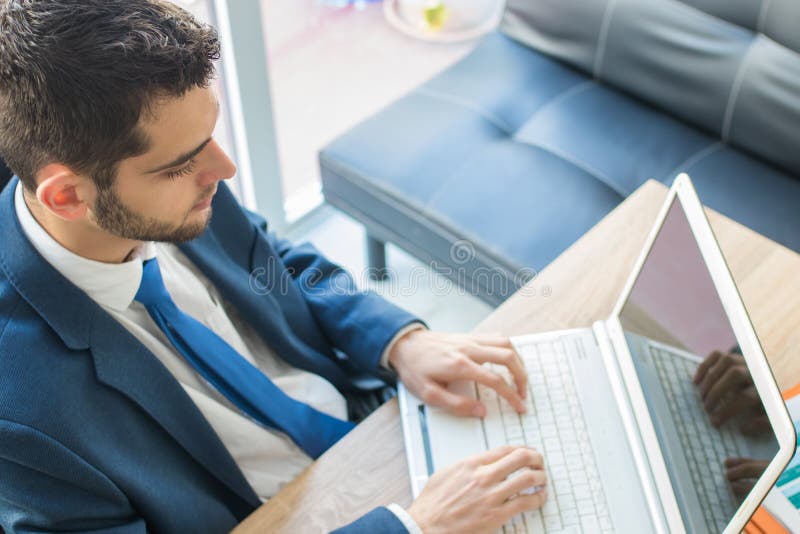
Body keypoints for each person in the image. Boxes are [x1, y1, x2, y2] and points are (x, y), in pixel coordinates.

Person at [0, 1, 548, 532]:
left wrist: (400, 343)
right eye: (183, 164)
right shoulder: (20, 419)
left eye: (209, 137)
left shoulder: (165, 184)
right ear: (68, 197)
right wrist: (413, 527)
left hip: (372, 417)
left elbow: (276, 262)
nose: (225, 168)